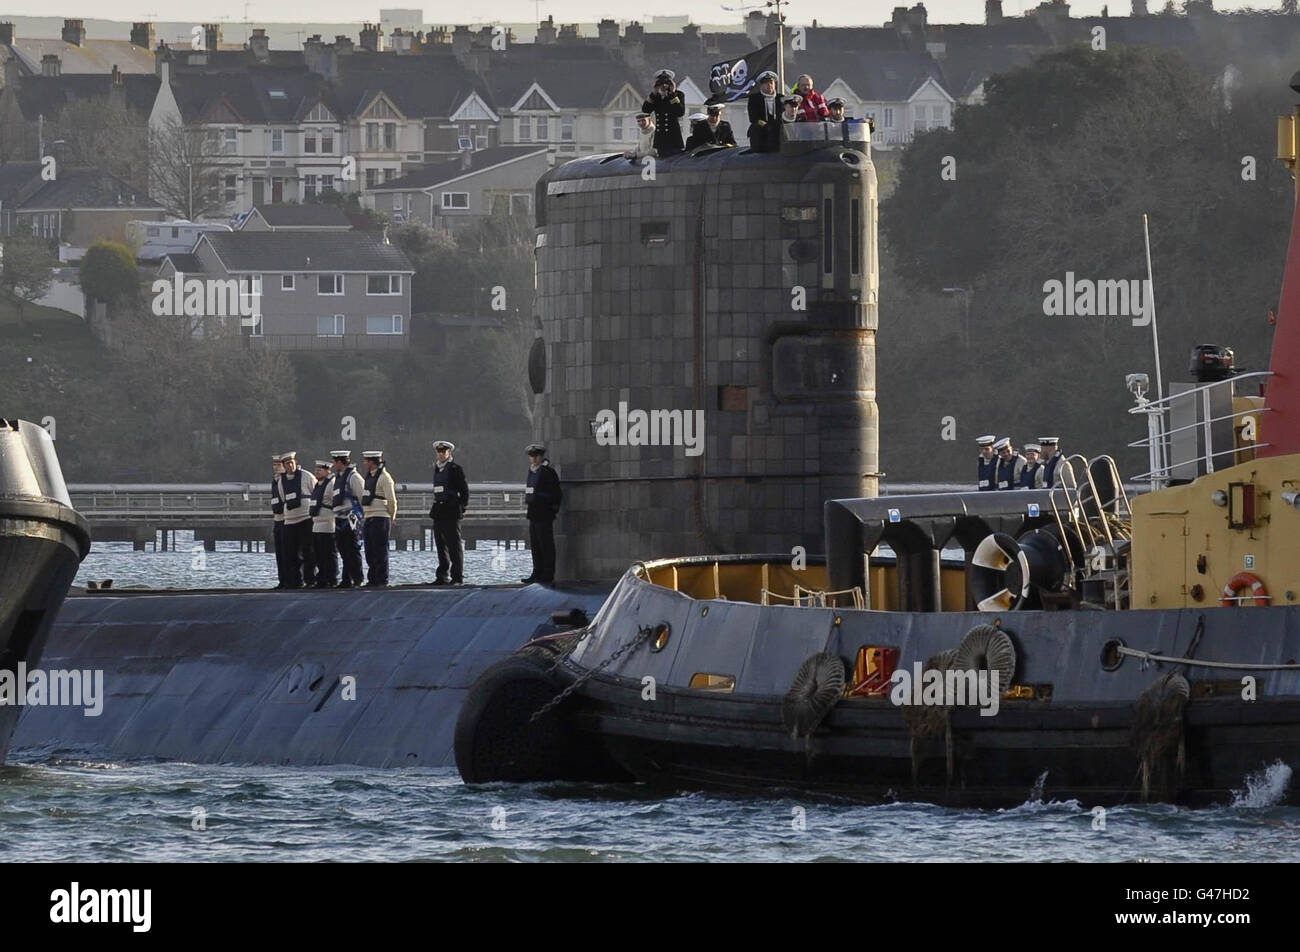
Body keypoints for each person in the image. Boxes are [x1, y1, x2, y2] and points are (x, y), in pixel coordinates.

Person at [429, 440, 470, 585]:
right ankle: (442, 575)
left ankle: (457, 577)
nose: (440, 454)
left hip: (451, 512)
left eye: (443, 452)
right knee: (440, 545)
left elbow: (464, 491)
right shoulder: (437, 469)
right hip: (439, 512)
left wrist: (462, 508)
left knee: (454, 545)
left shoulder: (455, 469)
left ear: (449, 453)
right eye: (439, 452)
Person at [522, 443, 562, 585]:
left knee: (546, 545)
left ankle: (547, 574)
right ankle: (536, 572)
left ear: (541, 457)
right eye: (531, 456)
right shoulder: (532, 471)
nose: (533, 459)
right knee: (536, 545)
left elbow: (556, 493)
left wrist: (551, 509)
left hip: (544, 514)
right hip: (533, 514)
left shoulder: (547, 472)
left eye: (536, 456)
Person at [276, 451, 317, 588]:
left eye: (292, 463)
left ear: (296, 462)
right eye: (287, 464)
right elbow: (283, 498)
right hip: (290, 520)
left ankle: (310, 580)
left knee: (309, 551)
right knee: (291, 553)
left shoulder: (306, 476)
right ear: (284, 466)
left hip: (305, 518)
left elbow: (315, 492)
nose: (290, 466)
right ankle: (295, 581)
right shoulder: (282, 480)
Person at [360, 450, 396, 587]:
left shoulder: (385, 478)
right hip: (369, 517)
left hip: (381, 517)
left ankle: (382, 580)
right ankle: (373, 578)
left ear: (372, 462)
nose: (365, 463)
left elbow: (392, 500)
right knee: (370, 550)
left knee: (380, 550)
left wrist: (392, 516)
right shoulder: (369, 477)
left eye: (366, 461)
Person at [330, 450, 366, 588]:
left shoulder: (354, 477)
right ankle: (346, 579)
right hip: (339, 519)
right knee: (343, 550)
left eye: (334, 462)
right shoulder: (339, 477)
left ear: (340, 462)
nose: (333, 465)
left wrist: (362, 517)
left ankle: (357, 578)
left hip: (351, 518)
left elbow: (362, 497)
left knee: (353, 548)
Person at [309, 459, 338, 588]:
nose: (317, 472)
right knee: (319, 554)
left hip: (327, 525)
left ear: (328, 471)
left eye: (320, 470)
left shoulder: (331, 484)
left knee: (328, 554)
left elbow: (336, 503)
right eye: (316, 469)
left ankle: (331, 578)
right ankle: (322, 578)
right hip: (316, 525)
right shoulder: (318, 485)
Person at [642, 69, 685, 157]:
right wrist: (654, 92)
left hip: (674, 139)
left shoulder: (678, 95)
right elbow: (645, 110)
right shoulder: (655, 97)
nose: (664, 86)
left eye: (666, 83)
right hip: (661, 140)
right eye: (661, 83)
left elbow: (680, 112)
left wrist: (672, 93)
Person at [746, 70, 782, 153]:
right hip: (761, 129)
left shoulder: (781, 98)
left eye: (771, 83)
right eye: (765, 83)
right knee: (756, 128)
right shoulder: (754, 98)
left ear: (774, 84)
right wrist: (766, 125)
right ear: (761, 85)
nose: (769, 85)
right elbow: (753, 118)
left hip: (777, 130)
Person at [270, 455, 289, 588]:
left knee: (289, 552)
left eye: (278, 464)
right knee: (280, 553)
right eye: (274, 464)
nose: (275, 467)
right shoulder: (275, 481)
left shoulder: (288, 480)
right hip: (278, 519)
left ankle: (291, 580)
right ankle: (282, 580)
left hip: (287, 520)